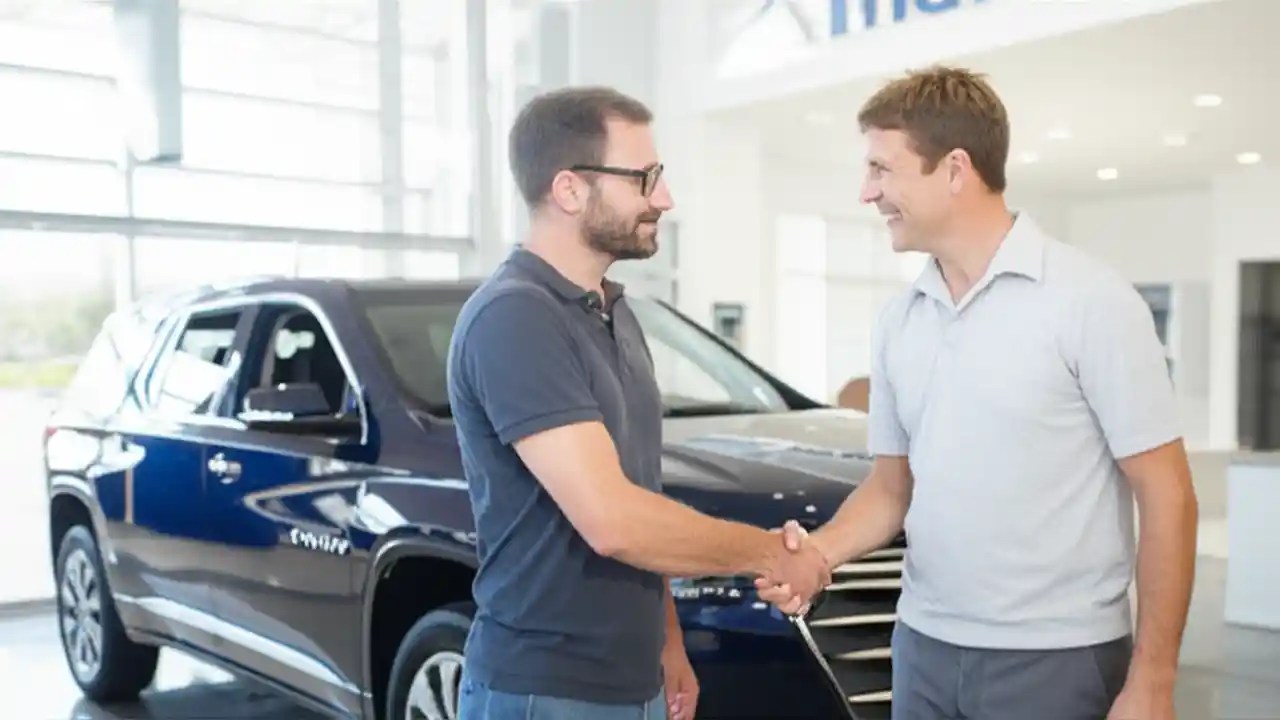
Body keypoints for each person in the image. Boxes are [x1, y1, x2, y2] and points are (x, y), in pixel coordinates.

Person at [757, 66, 1199, 720]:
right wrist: (818, 555)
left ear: (955, 169)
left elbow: (1168, 497)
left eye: (883, 169)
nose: (866, 192)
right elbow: (890, 489)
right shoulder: (901, 320)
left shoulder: (1091, 302)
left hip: (1058, 659)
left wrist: (1154, 680)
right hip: (923, 648)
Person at [447, 85, 832, 720]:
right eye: (645, 177)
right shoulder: (515, 317)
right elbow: (613, 520)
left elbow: (639, 492)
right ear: (570, 190)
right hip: (549, 689)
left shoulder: (613, 311)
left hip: (634, 681)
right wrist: (769, 553)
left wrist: (668, 641)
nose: (664, 198)